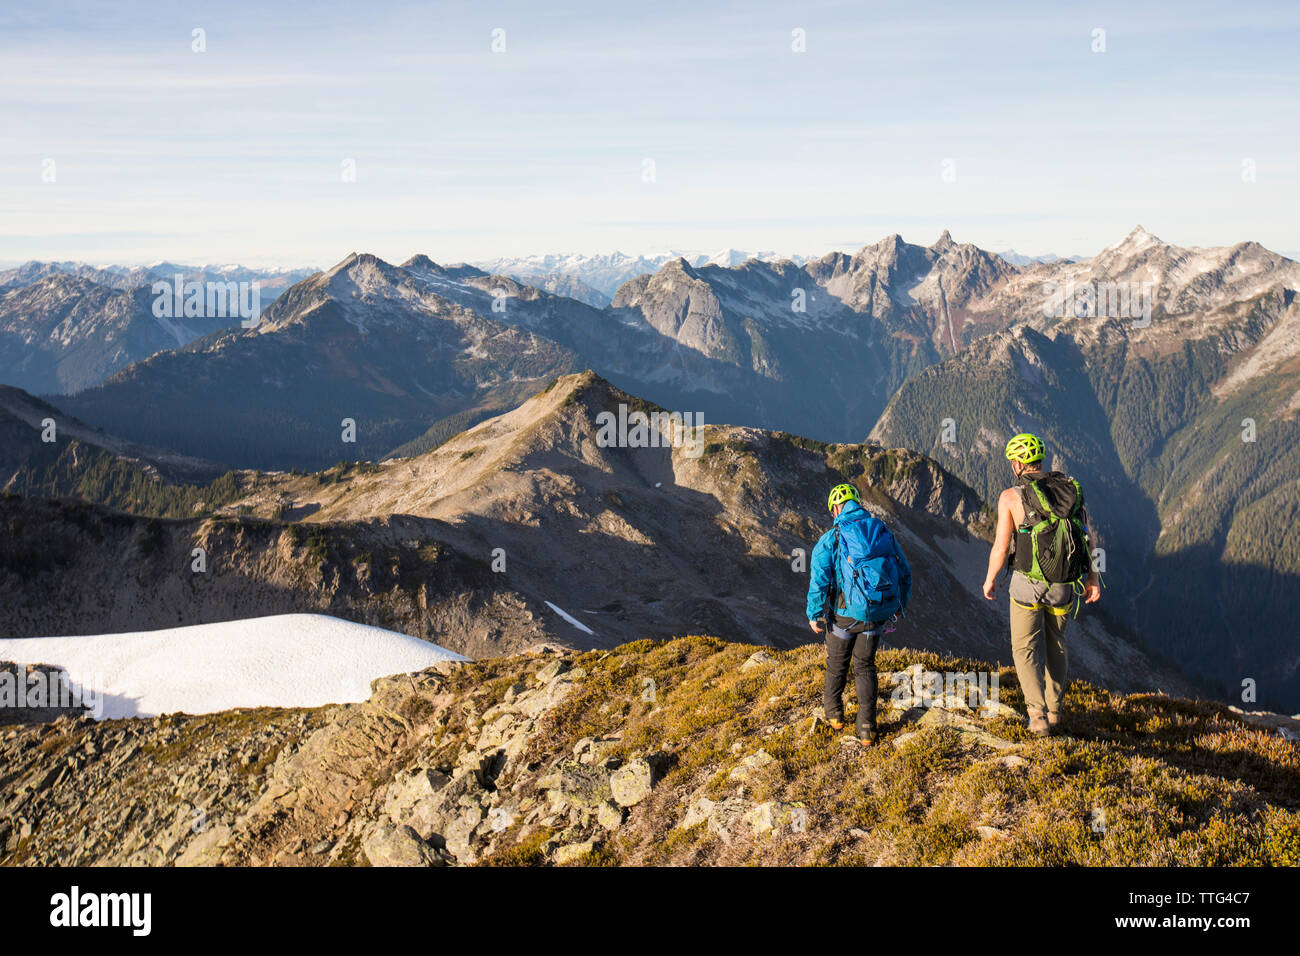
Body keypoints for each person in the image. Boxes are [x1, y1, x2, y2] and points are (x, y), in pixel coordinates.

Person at [982, 433, 1101, 737]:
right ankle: (1056, 711)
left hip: (1026, 585)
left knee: (1025, 649)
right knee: (1057, 645)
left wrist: (991, 579)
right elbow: (1087, 537)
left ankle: (1037, 717)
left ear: (1017, 463)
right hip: (1064, 584)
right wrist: (1093, 578)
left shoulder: (1011, 496)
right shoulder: (1071, 490)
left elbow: (1001, 545)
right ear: (1040, 461)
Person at [806, 483, 912, 745]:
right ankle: (867, 728)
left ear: (836, 508)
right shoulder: (881, 530)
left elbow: (819, 580)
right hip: (875, 616)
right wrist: (900, 605)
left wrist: (814, 613)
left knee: (836, 666)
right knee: (865, 667)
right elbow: (905, 571)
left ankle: (834, 715)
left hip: (843, 616)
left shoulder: (831, 538)